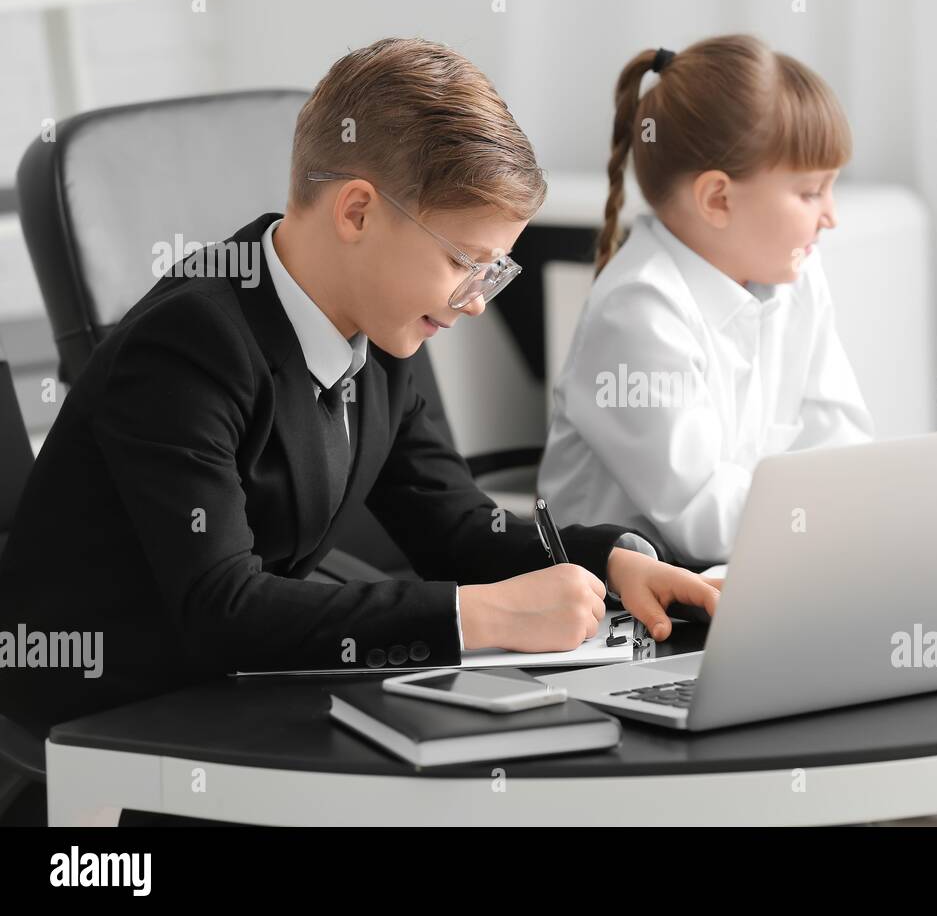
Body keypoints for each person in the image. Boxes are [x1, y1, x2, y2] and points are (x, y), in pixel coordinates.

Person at [0, 37, 718, 745]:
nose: (477, 302)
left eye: (495, 271)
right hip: (113, 705)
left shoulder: (381, 330)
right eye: (467, 262)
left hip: (247, 681)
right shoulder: (189, 344)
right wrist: (482, 616)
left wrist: (610, 560)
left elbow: (451, 527)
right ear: (357, 212)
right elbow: (223, 608)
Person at [540, 35, 874, 568]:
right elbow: (702, 516)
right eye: (812, 192)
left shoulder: (799, 273)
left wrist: (857, 514)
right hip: (629, 614)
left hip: (761, 565)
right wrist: (847, 519)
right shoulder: (639, 307)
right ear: (718, 198)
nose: (830, 215)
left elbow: (842, 444)